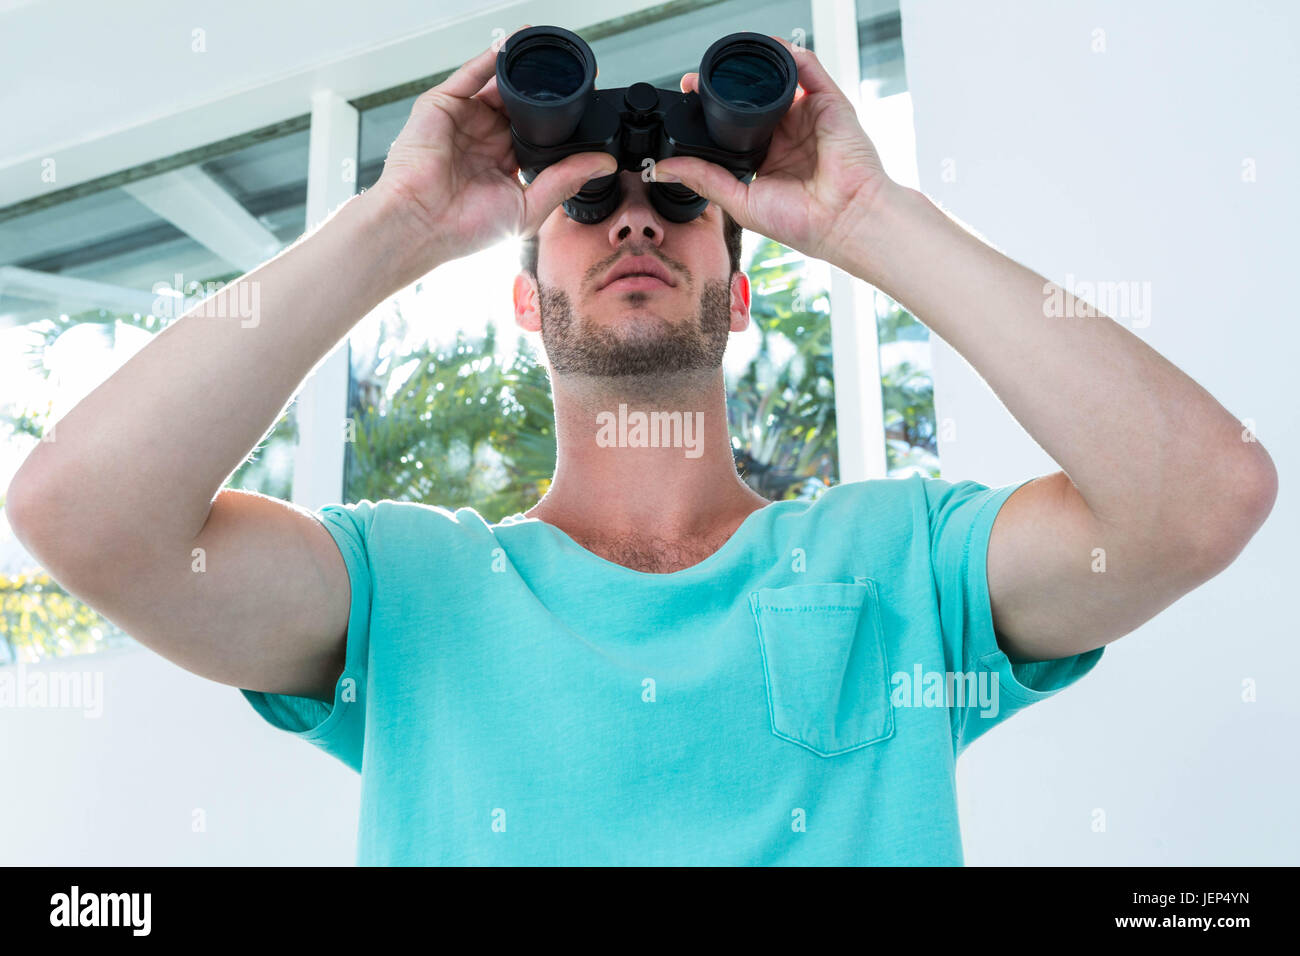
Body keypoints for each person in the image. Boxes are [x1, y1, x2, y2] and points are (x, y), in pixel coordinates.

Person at [6, 29, 1277, 866]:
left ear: (738, 296)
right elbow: (81, 512)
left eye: (681, 197)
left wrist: (870, 221)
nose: (634, 221)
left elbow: (1201, 499)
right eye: (585, 201)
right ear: (523, 300)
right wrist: (397, 224)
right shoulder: (406, 591)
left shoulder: (903, 555)